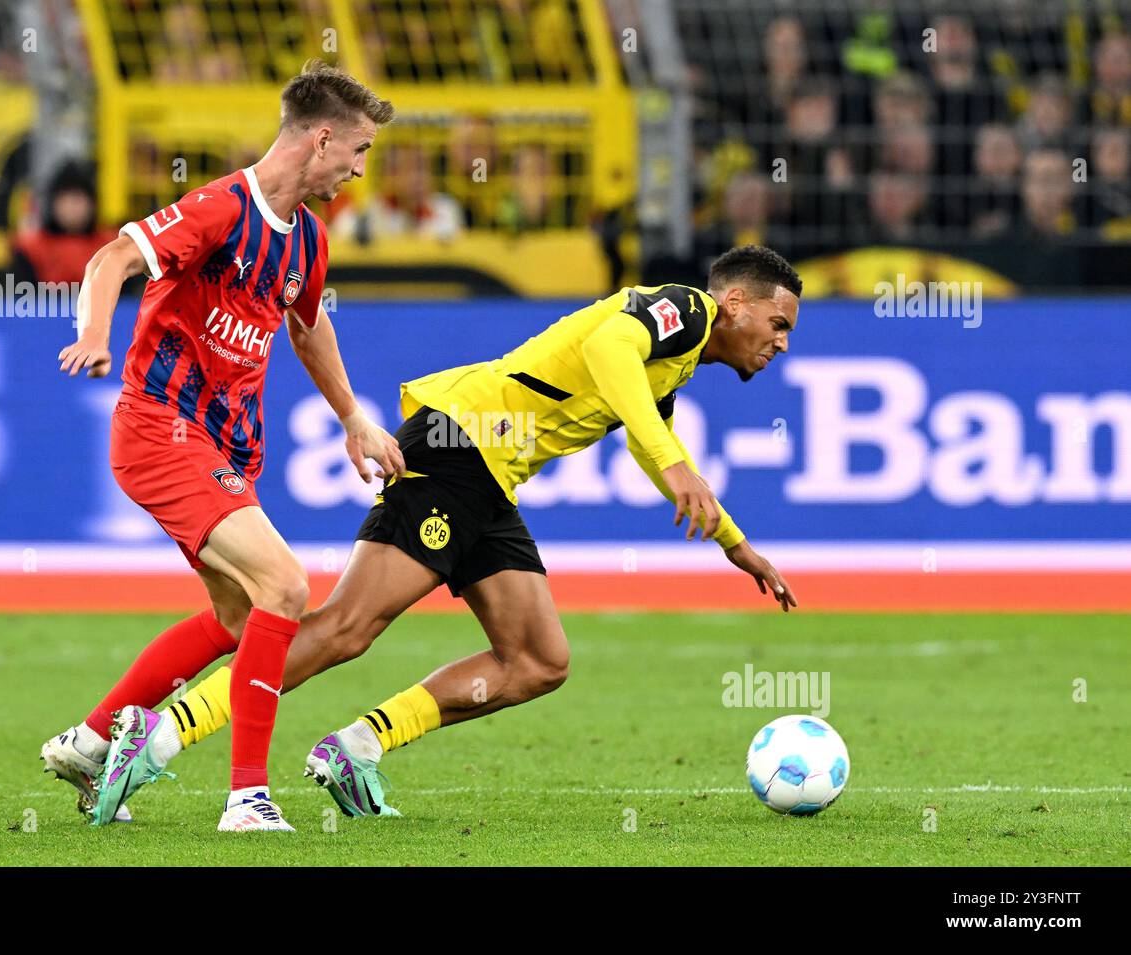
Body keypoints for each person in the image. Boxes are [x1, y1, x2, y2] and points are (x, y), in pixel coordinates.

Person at [90, 245, 802, 825]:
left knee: (537, 660)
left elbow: (652, 435)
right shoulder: (684, 307)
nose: (780, 343)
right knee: (344, 627)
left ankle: (357, 747)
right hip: (457, 442)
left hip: (491, 475)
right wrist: (679, 466)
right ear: (734, 303)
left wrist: (734, 544)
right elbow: (615, 347)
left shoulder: (675, 358)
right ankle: (155, 737)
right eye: (777, 323)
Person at [39, 60, 404, 833]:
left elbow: (307, 326)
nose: (360, 170)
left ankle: (95, 737)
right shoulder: (219, 208)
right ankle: (247, 799)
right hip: (162, 428)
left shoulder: (307, 237)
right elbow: (113, 260)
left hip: (229, 446)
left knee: (241, 618)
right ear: (323, 137)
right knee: (287, 585)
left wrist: (352, 418)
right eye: (360, 151)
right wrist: (95, 335)